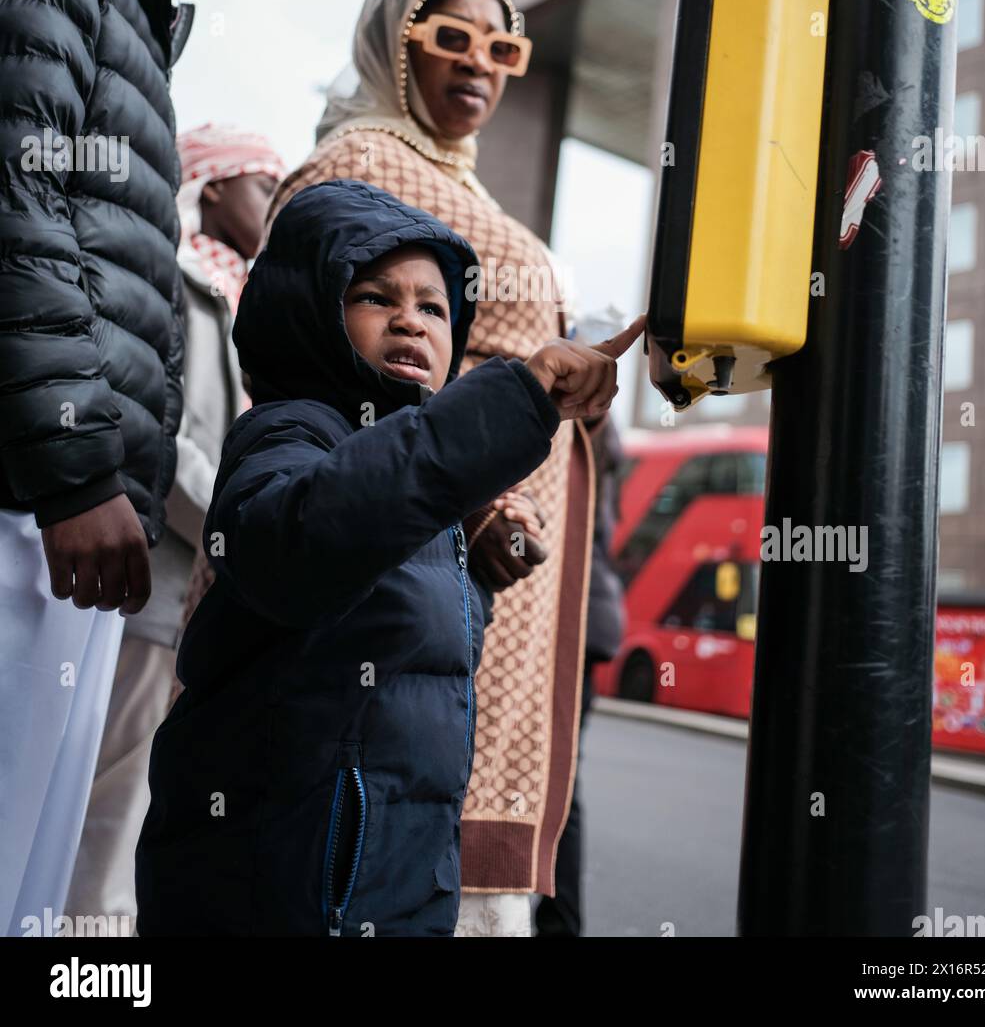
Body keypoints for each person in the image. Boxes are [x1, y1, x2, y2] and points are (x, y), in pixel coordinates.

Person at [134, 178, 646, 936]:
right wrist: (517, 399)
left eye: (434, 308)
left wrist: (479, 556)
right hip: (281, 889)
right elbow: (306, 541)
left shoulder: (422, 479)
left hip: (399, 884)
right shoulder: (287, 433)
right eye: (376, 297)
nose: (410, 320)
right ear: (313, 314)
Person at [0, 0, 272, 937]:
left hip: (55, 501)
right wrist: (72, 474)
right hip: (28, 495)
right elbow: (17, 209)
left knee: (43, 877)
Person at [269, 0, 598, 936]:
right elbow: (338, 381)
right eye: (447, 37)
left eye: (501, 47)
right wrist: (483, 502)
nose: (479, 65)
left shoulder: (463, 189)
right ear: (390, 41)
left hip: (490, 566)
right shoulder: (358, 164)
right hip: (428, 546)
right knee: (373, 827)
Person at [63, 124, 285, 931]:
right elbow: (164, 434)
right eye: (266, 185)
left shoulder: (235, 292)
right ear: (217, 186)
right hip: (154, 580)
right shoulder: (184, 281)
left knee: (125, 794)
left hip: (182, 583)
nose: (275, 206)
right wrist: (241, 524)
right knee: (110, 802)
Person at [534, 409, 626, 937]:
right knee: (565, 775)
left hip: (569, 616)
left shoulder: (570, 432)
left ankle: (560, 922)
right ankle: (561, 922)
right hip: (591, 617)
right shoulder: (602, 439)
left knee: (558, 775)